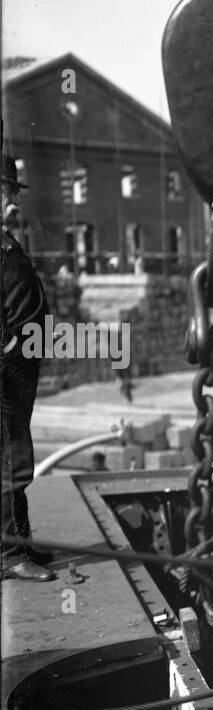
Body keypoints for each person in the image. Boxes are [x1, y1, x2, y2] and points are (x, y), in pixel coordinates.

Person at [1, 151, 55, 581]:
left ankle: (21, 543)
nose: (13, 202)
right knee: (10, 462)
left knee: (14, 458)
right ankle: (11, 553)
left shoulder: (5, 243)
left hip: (17, 372)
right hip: (7, 373)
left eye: (14, 192)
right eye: (5, 192)